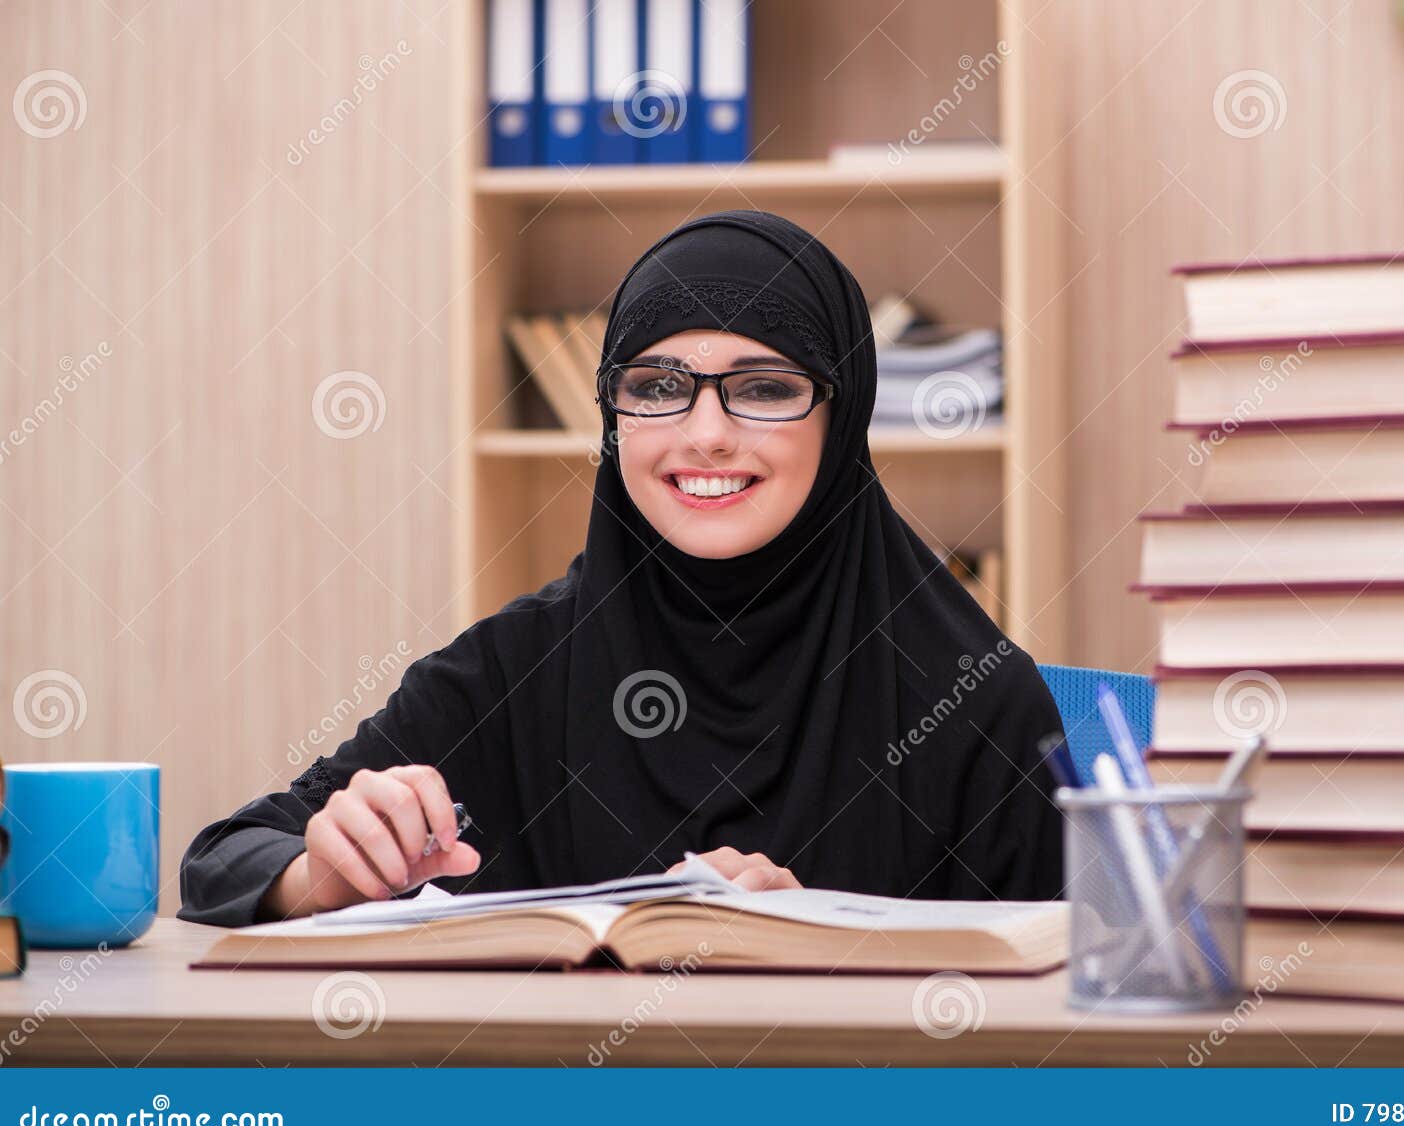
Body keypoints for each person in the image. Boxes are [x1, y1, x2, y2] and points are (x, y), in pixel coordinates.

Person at [178, 209, 1065, 927]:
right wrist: (323, 876)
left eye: (765, 388)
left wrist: (831, 947)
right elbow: (223, 859)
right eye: (656, 387)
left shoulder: (974, 699)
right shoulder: (513, 671)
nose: (706, 434)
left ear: (843, 418)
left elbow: (1055, 1030)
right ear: (613, 416)